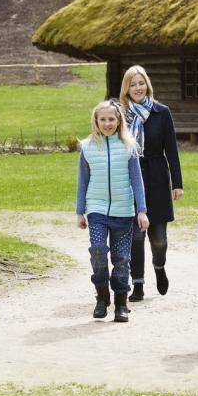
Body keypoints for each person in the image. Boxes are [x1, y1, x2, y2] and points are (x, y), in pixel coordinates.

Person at [76, 99, 149, 323]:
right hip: (96, 209)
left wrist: (142, 210)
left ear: (119, 121)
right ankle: (101, 296)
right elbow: (83, 180)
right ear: (96, 122)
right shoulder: (87, 148)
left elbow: (137, 181)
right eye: (103, 119)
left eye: (111, 119)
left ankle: (120, 302)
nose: (107, 123)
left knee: (121, 258)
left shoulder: (129, 146)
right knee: (98, 251)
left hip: (124, 210)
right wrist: (80, 211)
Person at [119, 65, 183, 300]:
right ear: (126, 89)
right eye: (132, 84)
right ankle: (137, 284)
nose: (137, 88)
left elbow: (172, 151)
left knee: (159, 239)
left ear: (147, 84)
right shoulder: (121, 115)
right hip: (130, 177)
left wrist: (177, 183)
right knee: (135, 236)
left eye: (141, 83)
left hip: (156, 175)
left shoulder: (161, 112)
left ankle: (159, 266)